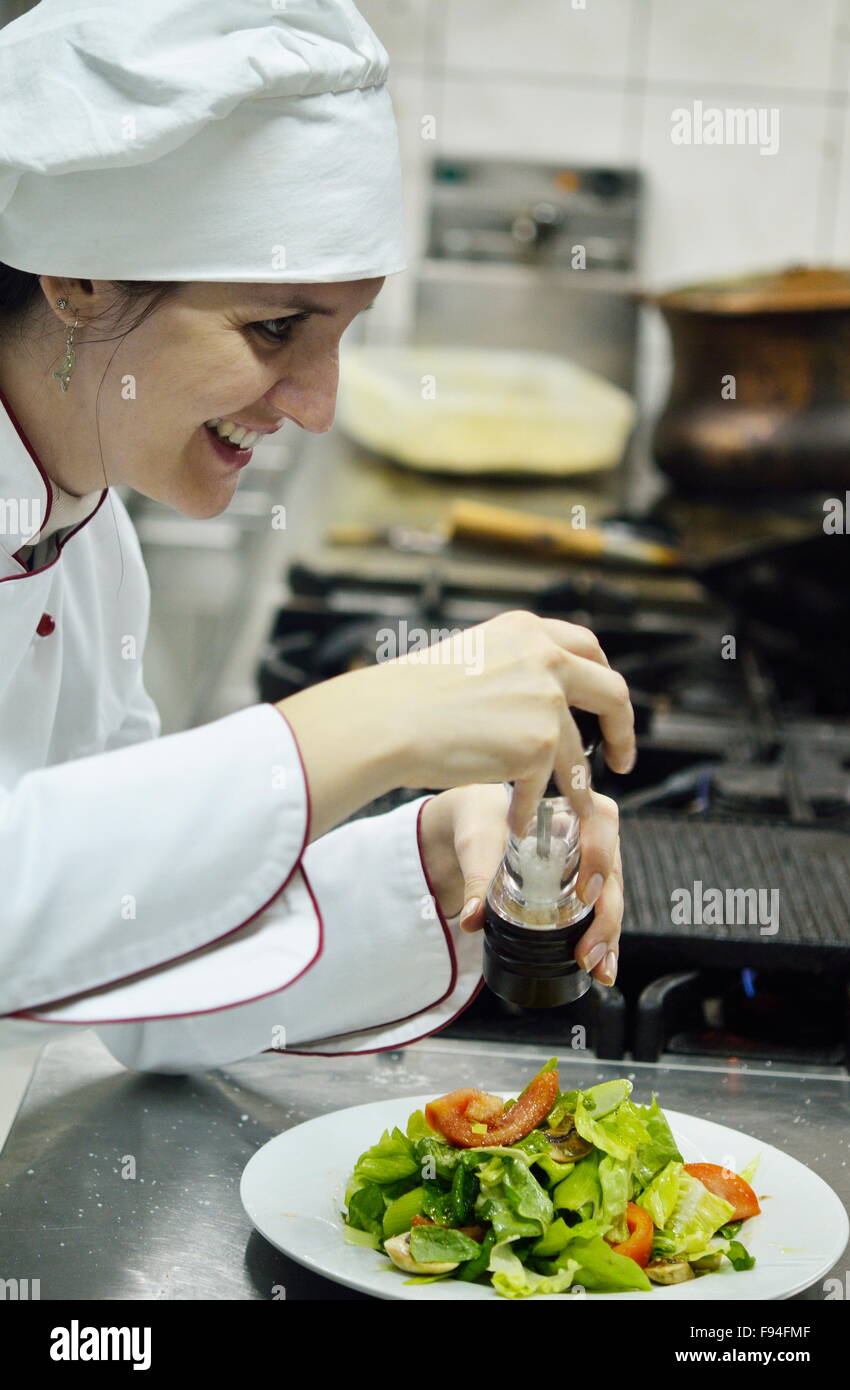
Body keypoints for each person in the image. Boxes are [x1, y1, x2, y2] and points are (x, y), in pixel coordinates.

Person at [0, 0, 634, 1072]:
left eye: (340, 334)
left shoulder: (87, 530)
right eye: (275, 328)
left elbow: (111, 957)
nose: (318, 405)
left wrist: (430, 863)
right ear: (79, 279)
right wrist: (367, 722)